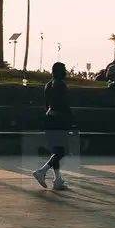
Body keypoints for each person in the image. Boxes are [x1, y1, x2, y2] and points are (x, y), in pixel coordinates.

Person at [33, 61, 74, 191]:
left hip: (49, 117)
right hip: (59, 119)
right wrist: (71, 120)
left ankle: (57, 180)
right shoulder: (61, 85)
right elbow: (64, 104)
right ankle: (42, 171)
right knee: (62, 150)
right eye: (64, 69)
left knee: (56, 150)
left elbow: (47, 104)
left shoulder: (48, 85)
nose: (66, 72)